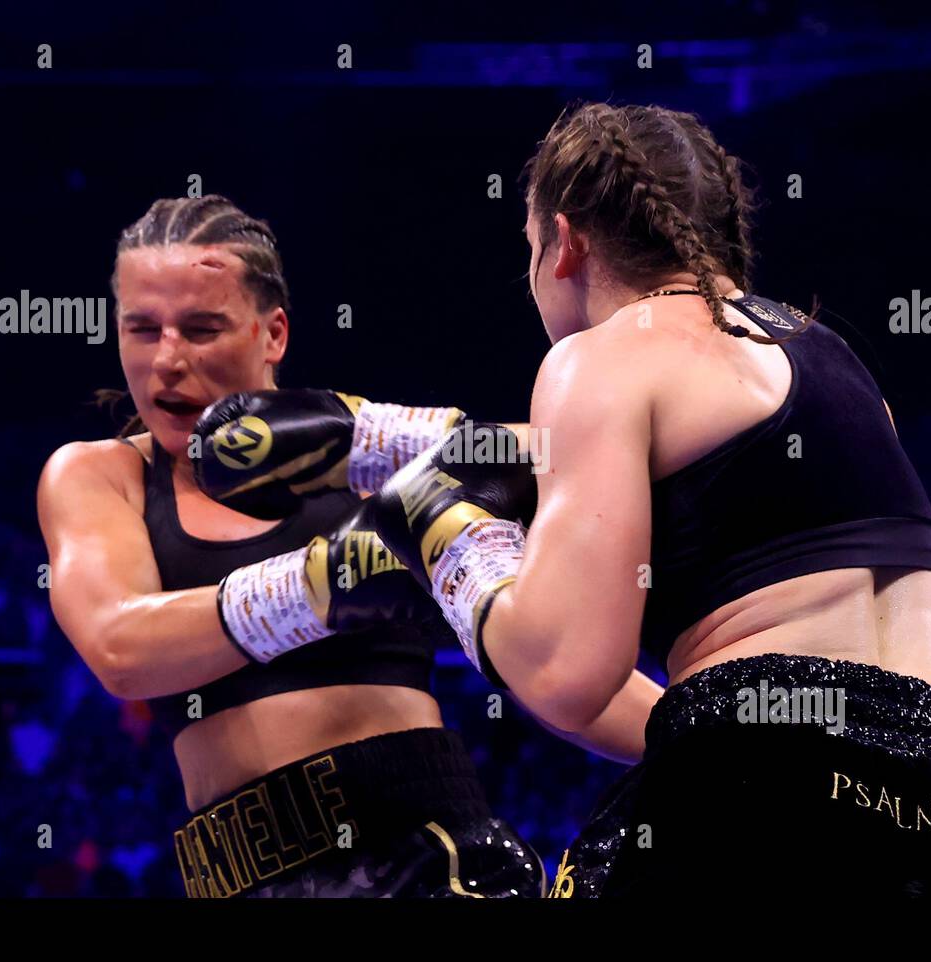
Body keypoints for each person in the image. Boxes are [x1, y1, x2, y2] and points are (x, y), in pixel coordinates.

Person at [361, 102, 931, 899]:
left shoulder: (596, 361)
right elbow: (731, 701)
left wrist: (448, 535)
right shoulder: (834, 358)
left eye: (529, 249)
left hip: (767, 800)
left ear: (564, 243)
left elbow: (566, 671)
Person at [37, 194, 657, 898]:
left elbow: (548, 619)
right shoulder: (99, 477)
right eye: (141, 329)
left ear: (273, 335)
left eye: (202, 328)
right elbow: (121, 649)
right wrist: (325, 583)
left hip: (425, 852)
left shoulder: (362, 460)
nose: (167, 360)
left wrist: (691, 737)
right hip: (236, 875)